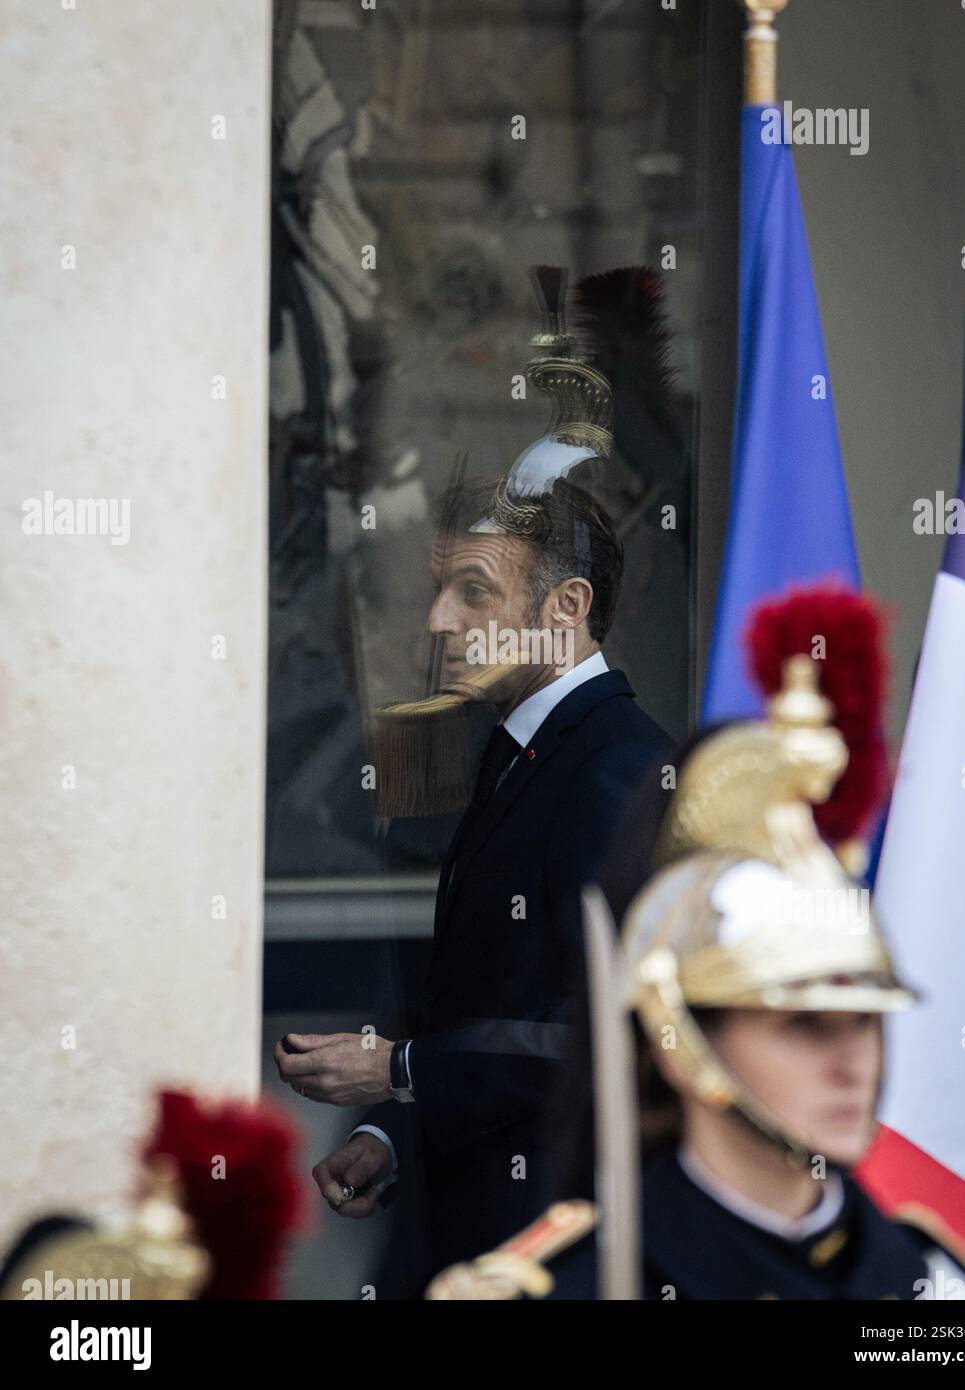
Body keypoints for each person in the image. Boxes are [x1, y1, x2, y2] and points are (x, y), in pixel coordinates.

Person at [274, 267, 672, 1288]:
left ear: (564, 606)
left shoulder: (618, 771)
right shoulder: (521, 750)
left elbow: (605, 1043)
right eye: (439, 590)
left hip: (552, 1255)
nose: (438, 623)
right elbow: (495, 1008)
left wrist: (396, 1070)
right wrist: (398, 1131)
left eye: (471, 591)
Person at [426, 652, 965, 1300]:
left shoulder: (941, 1285)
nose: (851, 1064)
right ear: (680, 1039)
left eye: (864, 1021)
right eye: (802, 1025)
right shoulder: (558, 1288)